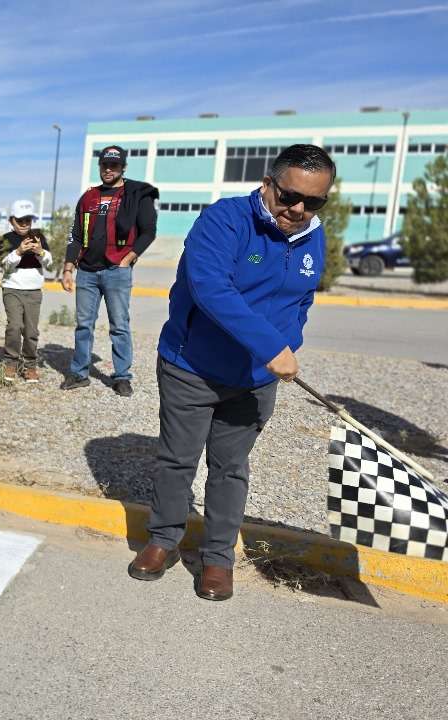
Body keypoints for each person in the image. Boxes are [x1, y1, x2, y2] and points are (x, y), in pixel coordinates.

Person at [128, 145, 334, 602]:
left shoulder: (311, 235)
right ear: (268, 184)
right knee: (177, 460)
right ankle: (163, 539)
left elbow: (301, 299)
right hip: (192, 367)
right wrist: (270, 346)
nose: (297, 210)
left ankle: (217, 557)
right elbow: (210, 289)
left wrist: (289, 342)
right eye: (289, 196)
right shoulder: (224, 220)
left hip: (254, 379)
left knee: (230, 467)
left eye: (313, 202)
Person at [60, 145, 158, 397]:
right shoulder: (89, 197)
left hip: (117, 269)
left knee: (119, 326)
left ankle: (122, 376)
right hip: (87, 272)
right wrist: (68, 267)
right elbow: (76, 236)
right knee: (84, 325)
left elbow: (148, 231)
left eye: (114, 165)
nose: (108, 169)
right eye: (105, 165)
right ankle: (79, 373)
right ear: (100, 166)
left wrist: (129, 259)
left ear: (122, 167)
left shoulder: (137, 194)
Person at [0, 211, 52, 383]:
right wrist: (19, 251)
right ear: (11, 221)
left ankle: (29, 366)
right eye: (19, 220)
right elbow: (4, 264)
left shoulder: (39, 237)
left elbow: (49, 264)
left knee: (31, 331)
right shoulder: (6, 239)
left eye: (27, 220)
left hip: (34, 290)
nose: (23, 223)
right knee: (14, 326)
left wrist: (41, 252)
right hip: (12, 289)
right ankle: (11, 363)